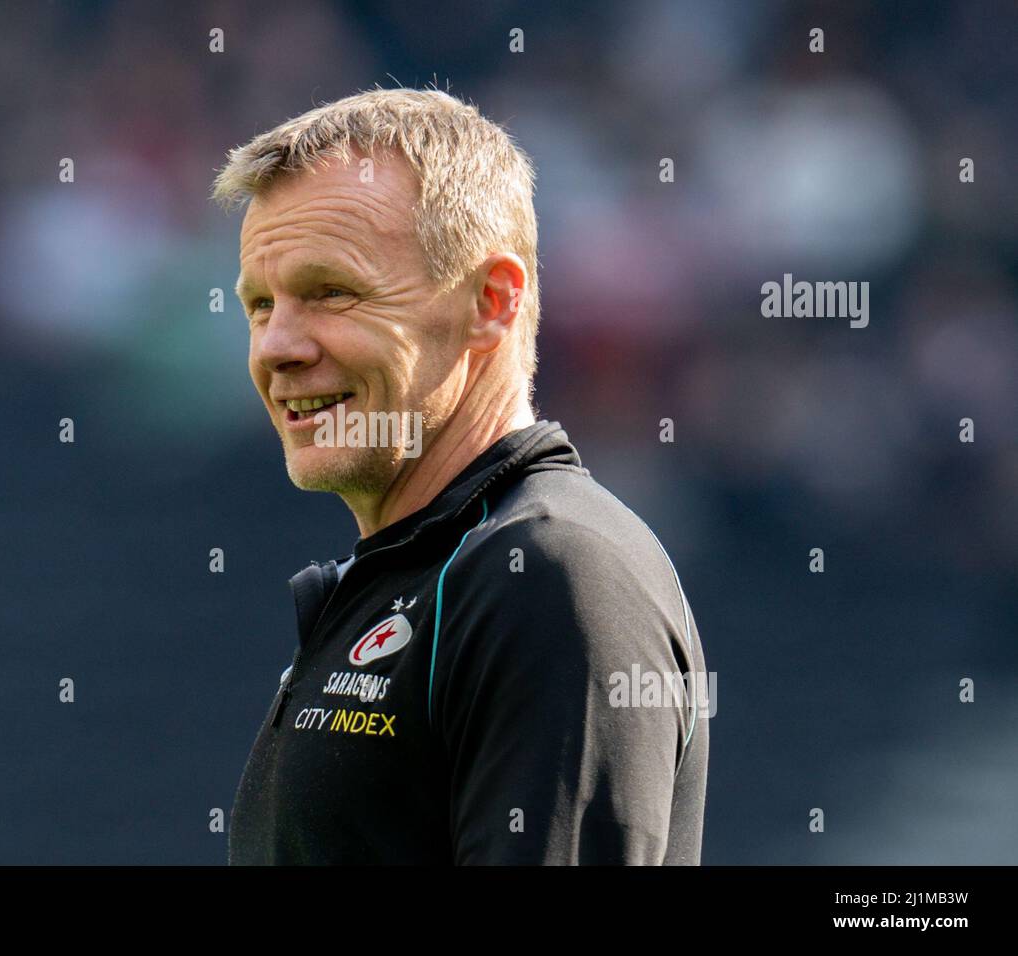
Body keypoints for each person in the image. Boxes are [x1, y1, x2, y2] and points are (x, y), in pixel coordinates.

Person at [212, 87, 709, 864]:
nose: (276, 346)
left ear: (492, 301)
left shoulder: (550, 573)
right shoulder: (419, 576)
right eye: (259, 305)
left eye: (331, 292)